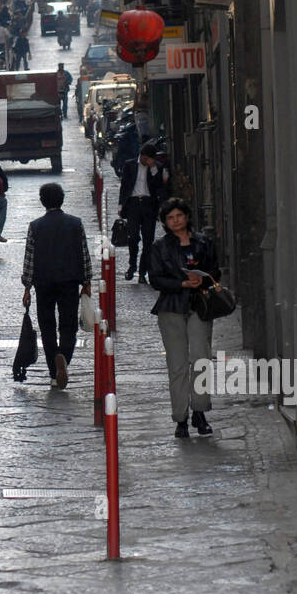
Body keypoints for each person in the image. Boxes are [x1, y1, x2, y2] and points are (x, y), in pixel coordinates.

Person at [148, 197, 220, 439]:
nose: (175, 221)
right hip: (171, 307)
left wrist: (204, 280)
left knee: (200, 359)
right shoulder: (160, 247)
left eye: (178, 216)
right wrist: (181, 283)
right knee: (177, 365)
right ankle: (180, 418)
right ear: (165, 223)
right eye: (170, 218)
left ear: (187, 217)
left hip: (199, 306)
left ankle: (200, 411)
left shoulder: (204, 242)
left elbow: (216, 270)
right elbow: (155, 278)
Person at [21, 183, 92, 389]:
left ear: (42, 201)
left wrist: (27, 287)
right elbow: (84, 254)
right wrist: (86, 281)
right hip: (69, 281)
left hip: (43, 283)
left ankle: (54, 372)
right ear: (62, 199)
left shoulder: (35, 226)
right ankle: (64, 358)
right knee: (68, 326)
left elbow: (29, 259)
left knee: (47, 326)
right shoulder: (75, 224)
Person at [118, 141, 164, 282]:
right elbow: (124, 185)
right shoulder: (130, 165)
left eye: (150, 159)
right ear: (141, 155)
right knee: (133, 237)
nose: (147, 161)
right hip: (133, 204)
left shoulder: (156, 168)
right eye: (145, 159)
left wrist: (153, 168)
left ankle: (143, 272)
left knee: (148, 239)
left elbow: (159, 185)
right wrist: (121, 205)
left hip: (149, 204)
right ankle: (132, 266)